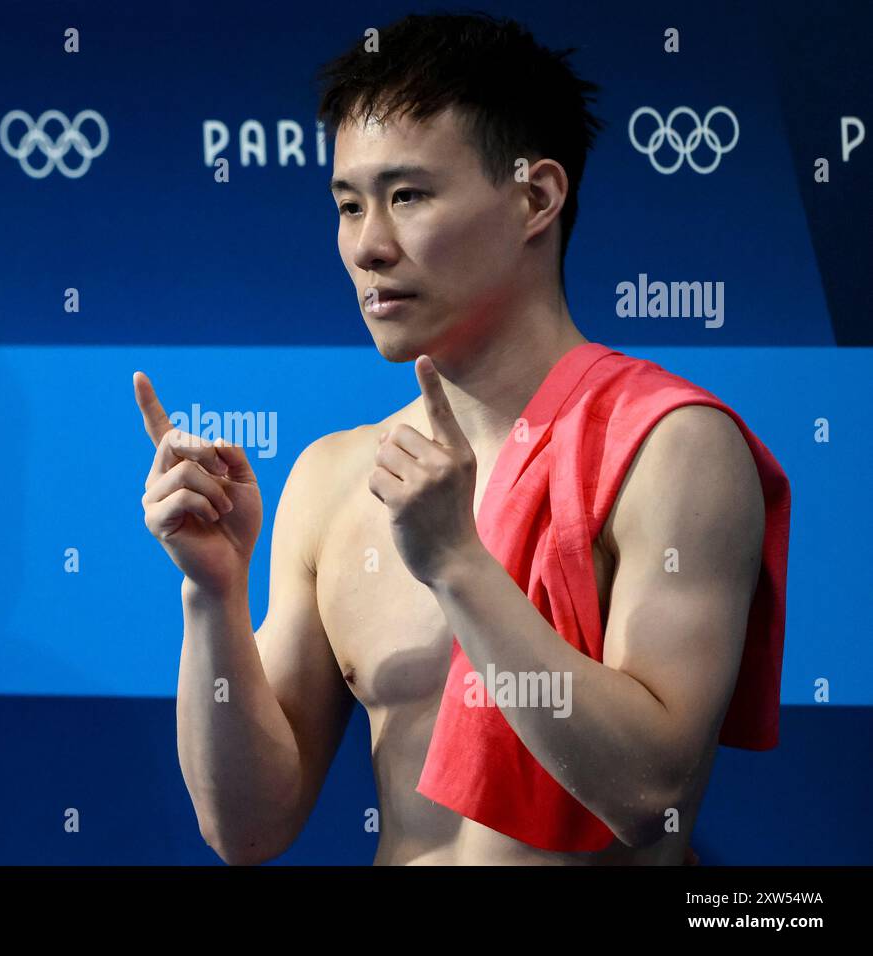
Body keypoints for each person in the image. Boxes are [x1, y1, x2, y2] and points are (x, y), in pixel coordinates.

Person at [133, 12, 789, 865]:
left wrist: (457, 564)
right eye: (347, 204)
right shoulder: (333, 478)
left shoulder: (669, 447)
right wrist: (212, 597)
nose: (368, 246)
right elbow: (247, 829)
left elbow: (651, 797)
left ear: (535, 198)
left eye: (408, 196)